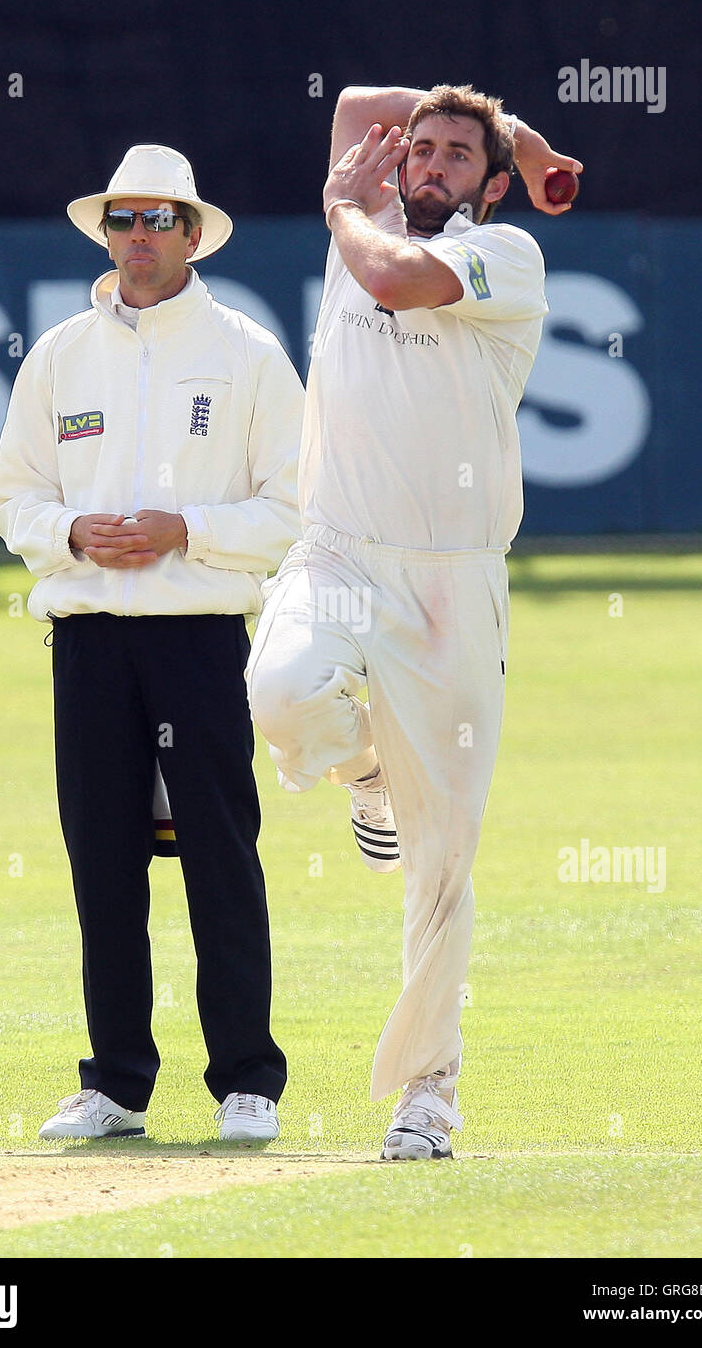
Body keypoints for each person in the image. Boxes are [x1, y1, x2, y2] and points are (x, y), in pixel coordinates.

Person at [247, 86, 581, 1159]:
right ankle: (364, 775)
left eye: (456, 157)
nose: (429, 164)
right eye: (420, 151)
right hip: (337, 549)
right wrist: (522, 137)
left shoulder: (502, 259)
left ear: (484, 190)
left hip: (449, 583)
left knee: (441, 857)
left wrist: (344, 206)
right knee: (282, 694)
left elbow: (389, 279)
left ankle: (426, 1092)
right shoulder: (370, 195)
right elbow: (355, 100)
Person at [0, 144, 304, 1143]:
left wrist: (185, 531)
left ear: (192, 233)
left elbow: (292, 506)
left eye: (158, 219)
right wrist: (72, 533)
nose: (137, 237)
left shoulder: (248, 352)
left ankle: (246, 1078)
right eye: (122, 219)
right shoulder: (62, 353)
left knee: (220, 854)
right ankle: (117, 1081)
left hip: (199, 636)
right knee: (102, 859)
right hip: (87, 641)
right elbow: (12, 495)